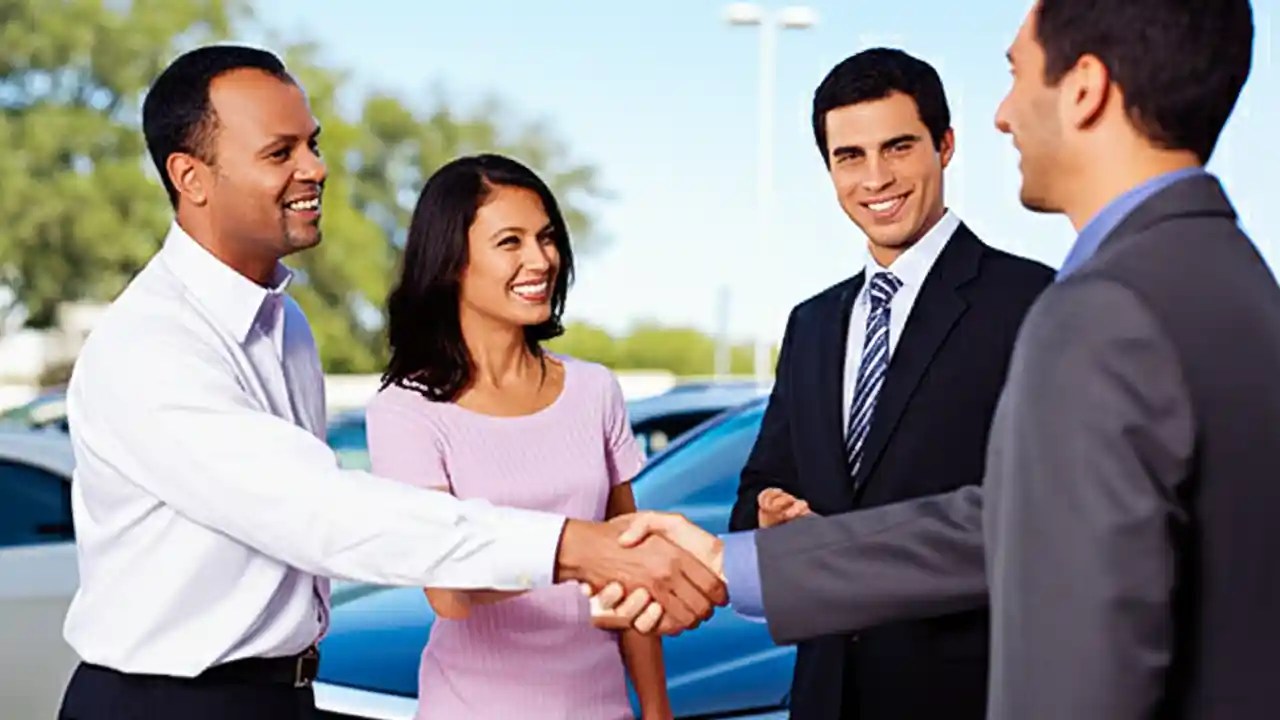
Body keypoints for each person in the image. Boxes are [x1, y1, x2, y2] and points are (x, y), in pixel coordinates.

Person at [616, 0, 1277, 718]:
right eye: (849, 156)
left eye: (1016, 73)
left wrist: (729, 565)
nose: (1004, 113)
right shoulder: (1231, 281)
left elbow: (1046, 582)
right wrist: (751, 548)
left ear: (1083, 89)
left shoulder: (1081, 306)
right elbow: (1007, 523)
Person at [56, 45, 721, 720]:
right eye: (279, 153)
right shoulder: (152, 346)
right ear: (191, 177)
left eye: (311, 145)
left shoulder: (285, 325)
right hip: (168, 705)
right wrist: (578, 546)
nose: (315, 168)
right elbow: (322, 513)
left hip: (278, 696)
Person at [727, 48, 1052, 720]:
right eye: (850, 156)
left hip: (964, 696)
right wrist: (768, 517)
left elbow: (1043, 523)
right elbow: (757, 491)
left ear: (946, 146)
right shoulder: (813, 323)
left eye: (898, 147)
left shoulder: (1032, 301)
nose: (875, 178)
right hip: (825, 695)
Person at [363, 153, 672, 720]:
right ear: (452, 261)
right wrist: (578, 553)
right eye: (511, 242)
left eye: (547, 238)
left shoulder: (595, 390)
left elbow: (630, 577)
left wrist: (656, 711)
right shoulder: (406, 411)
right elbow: (449, 595)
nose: (540, 259)